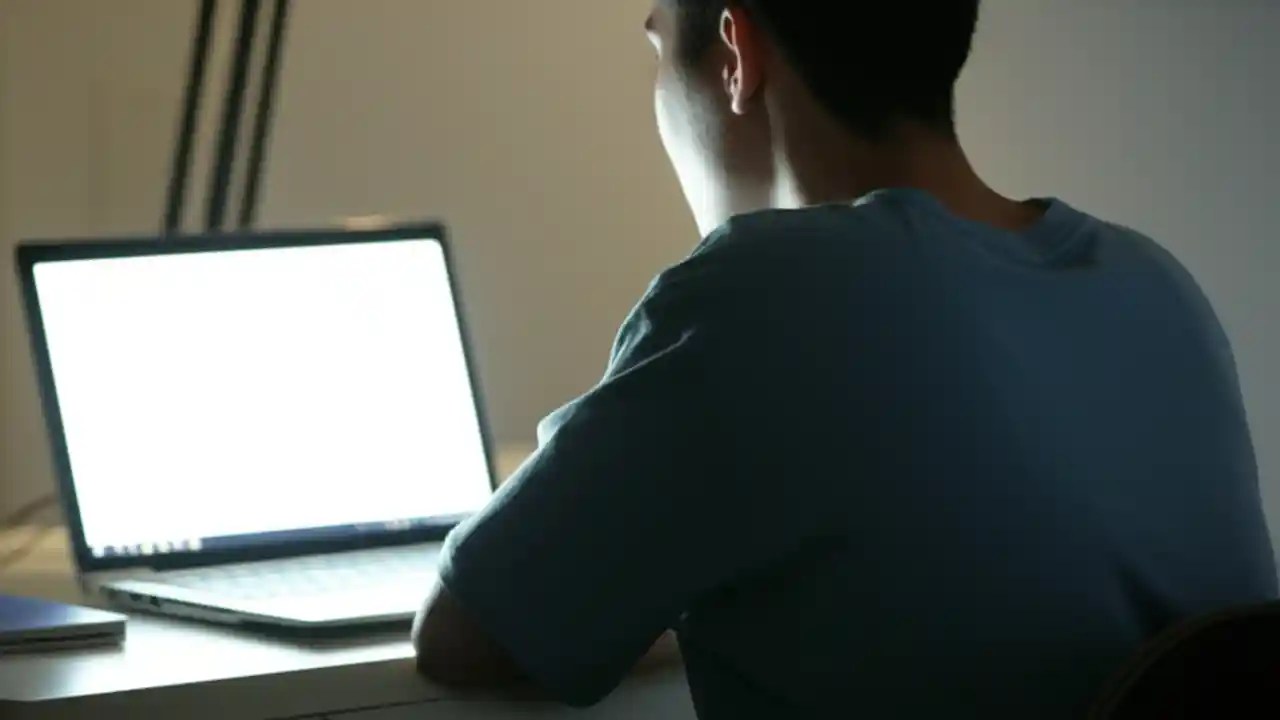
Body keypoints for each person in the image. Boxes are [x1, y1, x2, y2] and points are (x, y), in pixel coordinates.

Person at [412, 1, 1278, 717]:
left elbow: (468, 634)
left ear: (736, 53)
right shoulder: (1152, 281)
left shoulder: (765, 295)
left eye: (657, 53)